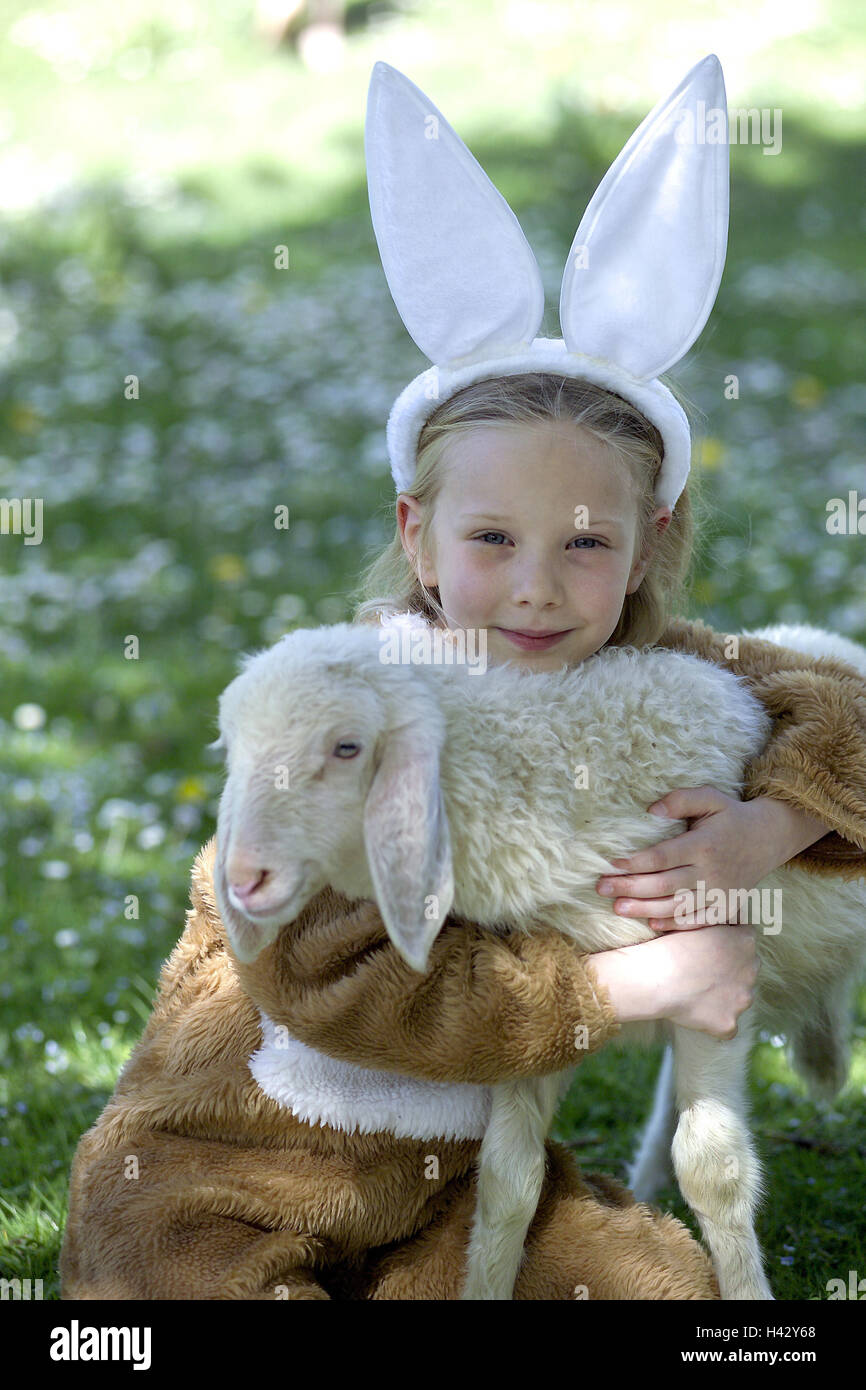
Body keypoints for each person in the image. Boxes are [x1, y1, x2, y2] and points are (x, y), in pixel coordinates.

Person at [59, 57, 866, 1301]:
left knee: (661, 1296)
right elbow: (341, 980)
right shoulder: (346, 700)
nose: (538, 588)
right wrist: (631, 982)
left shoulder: (646, 672)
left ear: (647, 541)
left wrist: (770, 824)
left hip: (452, 1178)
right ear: (415, 537)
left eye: (585, 542)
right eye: (491, 540)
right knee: (171, 1292)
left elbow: (837, 710)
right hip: (234, 1173)